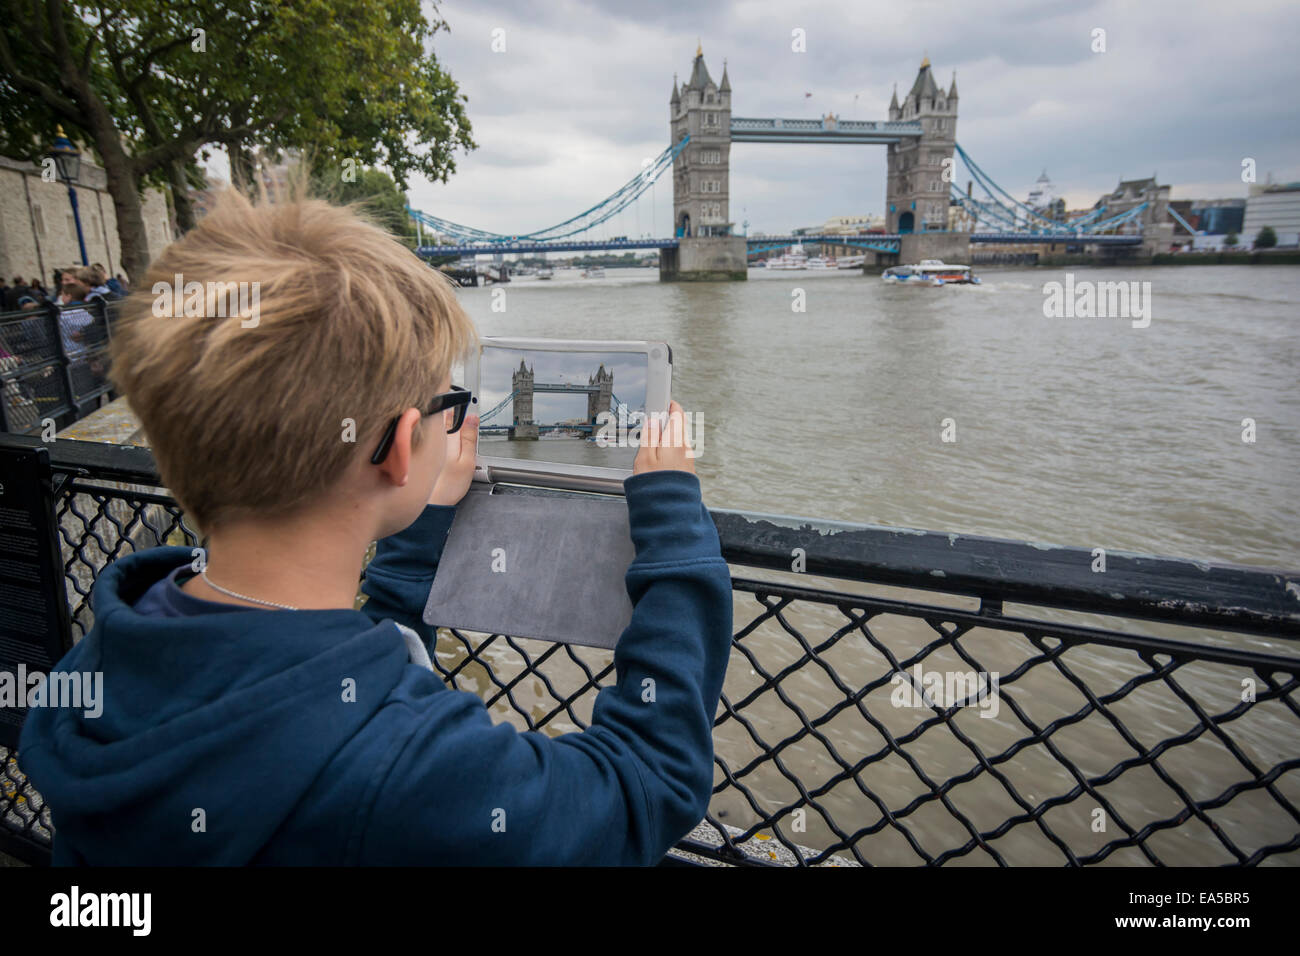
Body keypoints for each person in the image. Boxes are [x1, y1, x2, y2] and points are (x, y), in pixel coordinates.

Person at [18, 187, 732, 866]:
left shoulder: (100, 662)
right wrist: (673, 524)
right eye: (449, 402)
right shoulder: (415, 773)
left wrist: (418, 529)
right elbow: (646, 782)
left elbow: (340, 681)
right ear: (397, 448)